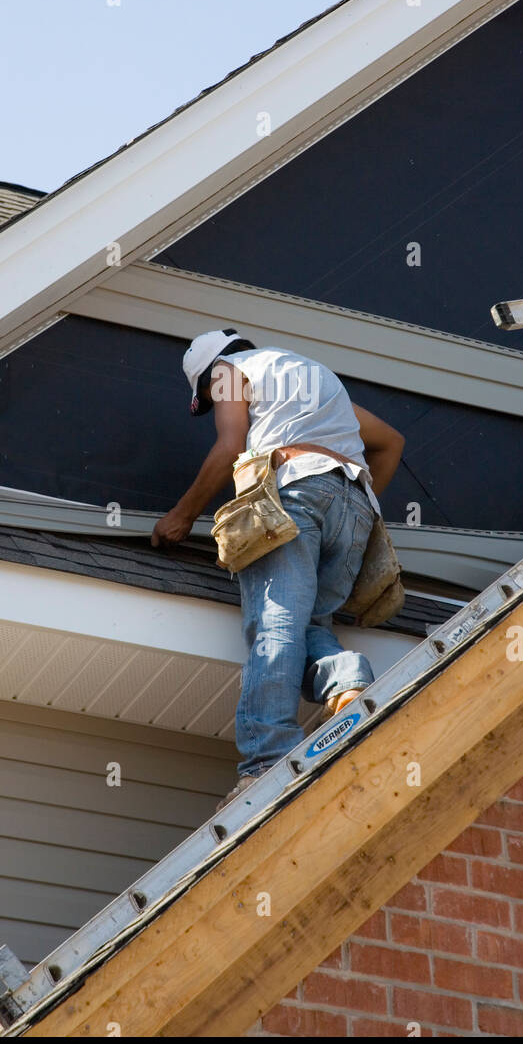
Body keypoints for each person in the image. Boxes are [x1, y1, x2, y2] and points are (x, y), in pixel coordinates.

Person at [151, 328, 405, 809]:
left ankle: (266, 761)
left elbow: (229, 446)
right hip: (353, 506)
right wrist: (353, 505)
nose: (215, 399)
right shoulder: (308, 377)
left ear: (210, 373)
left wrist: (181, 516)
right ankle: (348, 683)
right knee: (307, 623)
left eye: (207, 395)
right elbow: (390, 442)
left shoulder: (228, 371)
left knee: (275, 624)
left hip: (295, 494)